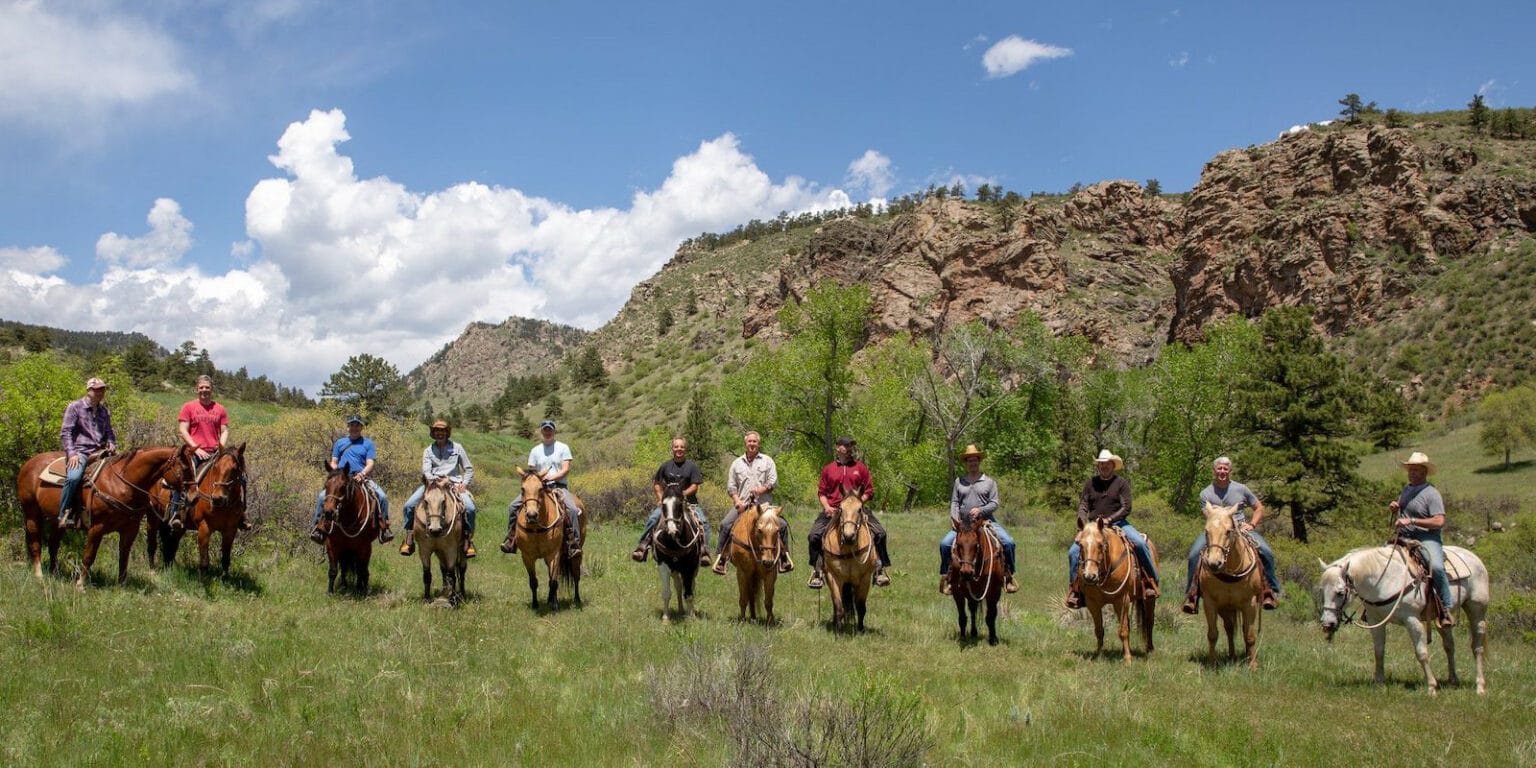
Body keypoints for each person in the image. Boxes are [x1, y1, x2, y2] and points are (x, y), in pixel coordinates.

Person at [1181, 456, 1280, 614]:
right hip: (1216, 532)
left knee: (1266, 551)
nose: (1222, 472)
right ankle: (1192, 595)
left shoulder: (1241, 489)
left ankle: (1269, 591)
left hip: (1241, 528)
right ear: (1214, 470)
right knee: (1194, 555)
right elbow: (1209, 517)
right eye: (1219, 468)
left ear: (1230, 471)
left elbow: (1259, 508)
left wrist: (1252, 524)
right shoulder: (1205, 493)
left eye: (1225, 469)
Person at [1065, 449, 1158, 609]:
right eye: (1101, 464)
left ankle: (1150, 582)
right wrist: (1082, 522)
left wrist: (1109, 519)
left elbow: (1126, 507)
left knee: (1140, 543)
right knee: (1073, 552)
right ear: (1098, 466)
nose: (1104, 466)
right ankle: (1076, 590)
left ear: (1113, 465)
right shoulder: (1090, 483)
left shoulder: (1121, 483)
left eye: (1107, 464)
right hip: (1094, 526)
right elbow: (1084, 504)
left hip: (1119, 523)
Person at [807, 436, 891, 589]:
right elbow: (822, 493)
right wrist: (827, 507)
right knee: (814, 536)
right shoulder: (829, 469)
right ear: (838, 448)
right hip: (833, 510)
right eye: (845, 445)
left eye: (850, 445)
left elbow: (870, 491)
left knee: (880, 534)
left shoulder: (861, 468)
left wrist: (858, 504)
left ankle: (880, 568)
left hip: (857, 510)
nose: (849, 448)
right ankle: (818, 571)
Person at [169, 375, 250, 531]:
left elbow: (225, 430)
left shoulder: (219, 409)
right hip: (194, 452)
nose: (204, 390)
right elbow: (183, 430)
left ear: (211, 389)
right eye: (201, 388)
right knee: (183, 478)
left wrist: (221, 448)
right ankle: (177, 513)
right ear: (196, 389)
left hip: (214, 453)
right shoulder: (189, 407)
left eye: (207, 387)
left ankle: (241, 514)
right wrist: (196, 448)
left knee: (241, 478)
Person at [939, 445, 1018, 595]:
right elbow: (955, 502)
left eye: (975, 460)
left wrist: (981, 510)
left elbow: (995, 503)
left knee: (1008, 543)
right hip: (963, 524)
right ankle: (947, 577)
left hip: (986, 521)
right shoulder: (959, 481)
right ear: (966, 463)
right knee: (944, 544)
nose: (972, 463)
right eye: (969, 461)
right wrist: (954, 519)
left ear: (979, 462)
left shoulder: (989, 482)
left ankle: (1009, 577)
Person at [712, 431, 792, 575]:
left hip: (764, 507)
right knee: (725, 525)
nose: (752, 444)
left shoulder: (767, 461)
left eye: (755, 441)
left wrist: (761, 490)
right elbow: (731, 486)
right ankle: (722, 559)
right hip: (743, 506)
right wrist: (737, 501)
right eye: (750, 441)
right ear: (745, 443)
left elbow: (773, 482)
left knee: (783, 525)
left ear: (759, 444)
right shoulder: (736, 463)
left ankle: (783, 558)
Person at [502, 420, 583, 556]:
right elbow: (532, 473)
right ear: (541, 431)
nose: (547, 432)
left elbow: (566, 469)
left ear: (554, 431)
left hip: (558, 486)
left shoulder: (563, 448)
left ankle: (574, 543)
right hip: (538, 488)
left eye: (550, 429)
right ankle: (511, 539)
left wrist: (551, 478)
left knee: (573, 509)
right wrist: (536, 480)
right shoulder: (535, 450)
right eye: (545, 430)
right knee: (513, 506)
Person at [1392, 451, 1454, 628]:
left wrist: (1412, 521)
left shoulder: (1432, 493)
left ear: (1425, 472)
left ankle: (1445, 609)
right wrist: (1395, 507)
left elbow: (1439, 521)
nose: (1412, 473)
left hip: (1427, 537)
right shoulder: (1407, 489)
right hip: (1404, 536)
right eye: (1410, 470)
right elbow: (1404, 511)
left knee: (1436, 567)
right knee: (1380, 559)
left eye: (1416, 470)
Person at [400, 419, 477, 558]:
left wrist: (463, 484)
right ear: (433, 433)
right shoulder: (428, 450)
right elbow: (426, 471)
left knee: (470, 508)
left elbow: (469, 468)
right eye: (437, 430)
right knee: (409, 505)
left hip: (453, 484)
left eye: (442, 430)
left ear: (447, 432)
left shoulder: (458, 448)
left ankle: (467, 540)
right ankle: (409, 537)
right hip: (432, 484)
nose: (439, 433)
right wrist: (434, 481)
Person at [310, 414, 392, 543]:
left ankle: (384, 528)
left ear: (361, 427)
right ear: (348, 427)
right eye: (352, 425)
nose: (354, 428)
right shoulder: (340, 443)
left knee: (382, 497)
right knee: (322, 497)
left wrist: (362, 474)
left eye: (357, 425)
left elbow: (370, 463)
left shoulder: (368, 443)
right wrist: (334, 472)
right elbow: (334, 461)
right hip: (342, 478)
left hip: (361, 477)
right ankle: (318, 528)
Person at [632, 437, 711, 566]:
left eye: (681, 447)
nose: (679, 449)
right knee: (653, 518)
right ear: (672, 449)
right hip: (668, 504)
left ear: (685, 449)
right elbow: (657, 484)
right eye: (676, 447)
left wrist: (682, 494)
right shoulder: (665, 466)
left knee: (704, 523)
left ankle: (704, 552)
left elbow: (695, 485)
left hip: (689, 503)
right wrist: (660, 499)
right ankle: (642, 546)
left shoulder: (691, 466)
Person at [57, 376, 118, 528]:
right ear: (89, 390)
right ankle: (64, 513)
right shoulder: (75, 407)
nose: (101, 392)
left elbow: (109, 432)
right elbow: (66, 432)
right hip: (81, 451)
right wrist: (72, 454)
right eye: (97, 390)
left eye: (102, 389)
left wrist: (111, 442)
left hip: (101, 452)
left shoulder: (104, 411)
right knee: (74, 477)